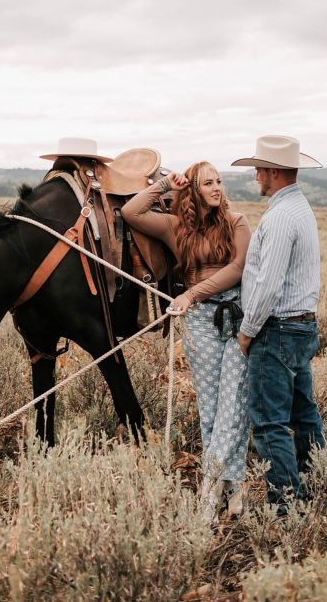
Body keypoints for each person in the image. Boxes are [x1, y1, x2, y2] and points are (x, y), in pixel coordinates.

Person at [121, 162, 251, 523]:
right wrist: (164, 184)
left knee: (234, 402)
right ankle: (231, 487)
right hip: (199, 322)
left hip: (237, 316)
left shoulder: (237, 222)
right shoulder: (176, 226)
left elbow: (239, 268)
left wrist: (192, 293)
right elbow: (132, 211)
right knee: (211, 406)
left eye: (219, 181)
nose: (217, 188)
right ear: (193, 191)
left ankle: (214, 485)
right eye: (208, 183)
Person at [232, 134, 326, 514]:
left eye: (258, 168)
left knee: (268, 422)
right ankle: (316, 483)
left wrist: (247, 330)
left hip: (277, 329)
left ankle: (287, 507)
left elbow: (268, 285)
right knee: (303, 412)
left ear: (273, 172)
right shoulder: (299, 208)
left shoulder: (281, 216)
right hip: (301, 326)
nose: (255, 174)